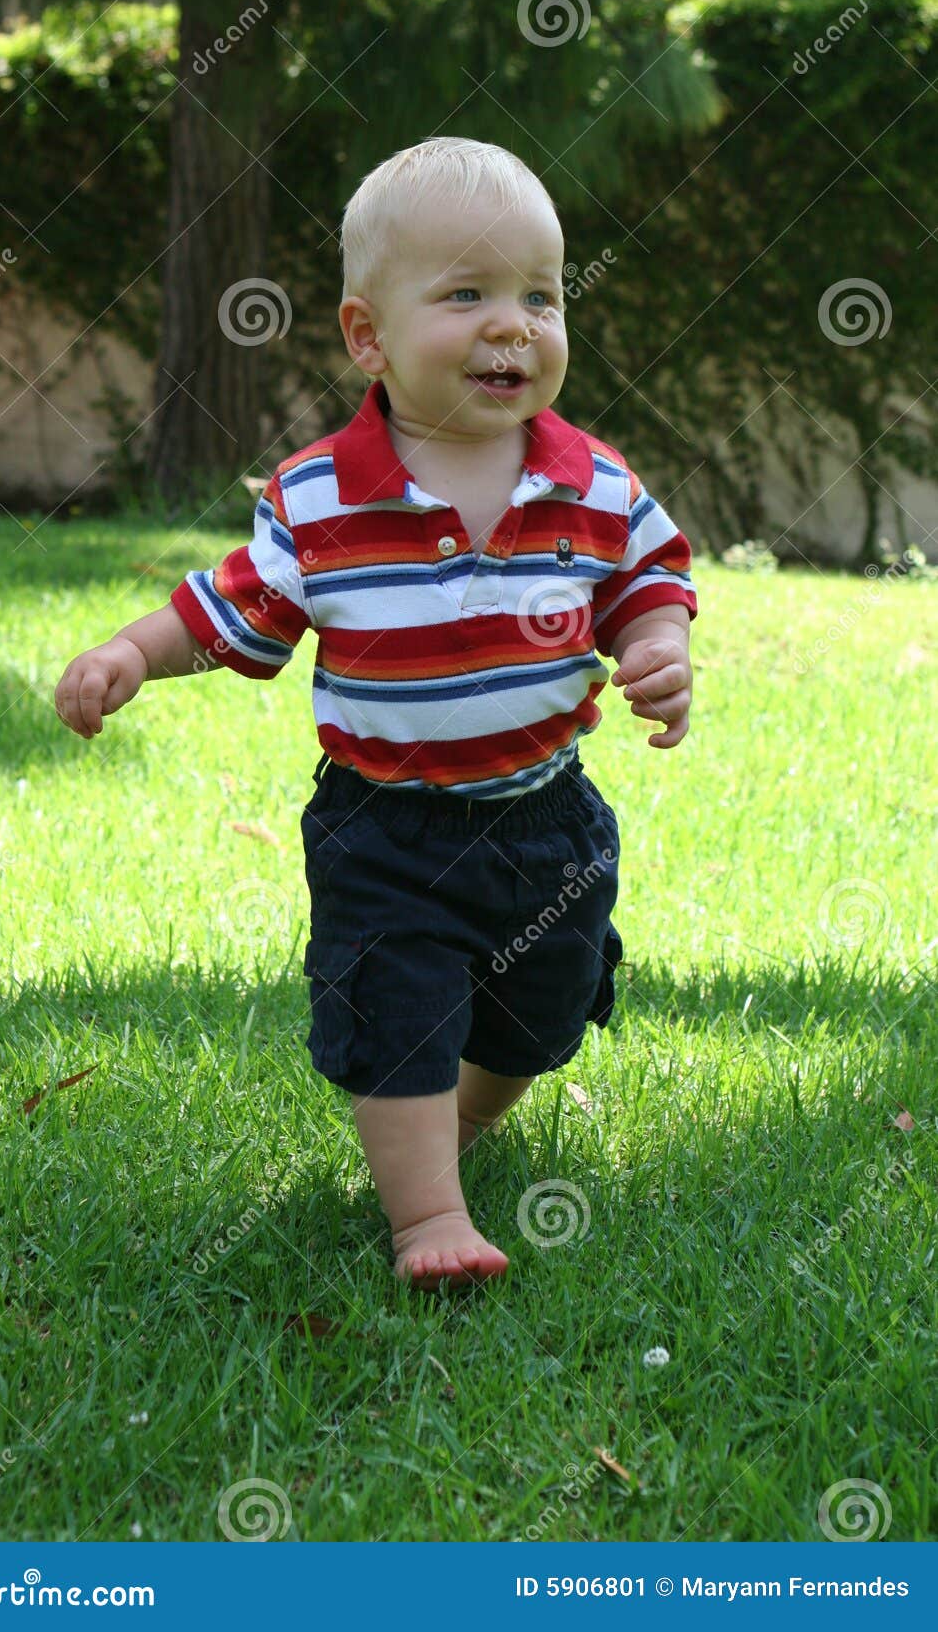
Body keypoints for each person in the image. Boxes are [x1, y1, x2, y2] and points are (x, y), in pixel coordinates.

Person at [54, 136, 697, 1292]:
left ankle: (448, 1130)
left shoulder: (590, 480)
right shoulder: (319, 497)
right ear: (369, 336)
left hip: (544, 821)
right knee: (397, 1009)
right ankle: (424, 1219)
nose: (512, 325)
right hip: (386, 830)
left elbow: (646, 580)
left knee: (537, 1020)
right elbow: (229, 608)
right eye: (466, 295)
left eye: (539, 297)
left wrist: (656, 645)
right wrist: (129, 654)